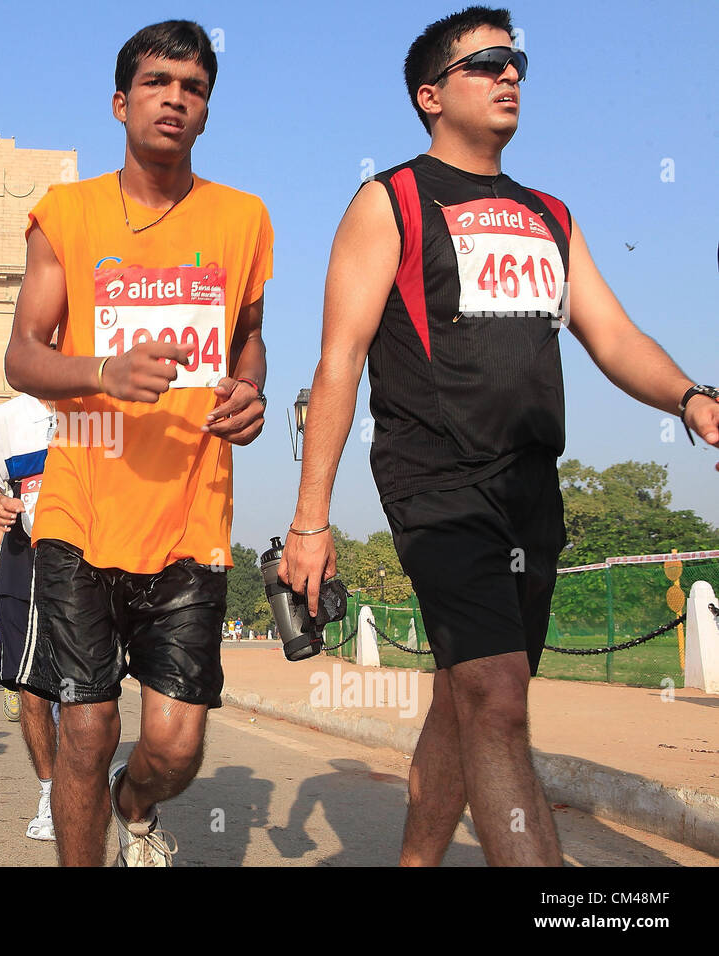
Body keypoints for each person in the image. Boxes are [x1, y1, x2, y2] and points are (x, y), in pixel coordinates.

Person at [280, 6, 719, 868]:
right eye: (486, 62)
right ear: (431, 94)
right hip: (434, 477)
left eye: (516, 59)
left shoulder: (550, 212)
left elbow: (614, 335)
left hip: (530, 487)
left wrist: (692, 397)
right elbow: (340, 362)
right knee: (498, 695)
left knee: (468, 694)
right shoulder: (389, 200)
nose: (510, 72)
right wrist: (309, 519)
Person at [3, 20, 271, 866]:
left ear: (205, 111)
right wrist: (100, 373)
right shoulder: (68, 212)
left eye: (193, 88)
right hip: (81, 514)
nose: (176, 99)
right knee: (85, 728)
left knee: (176, 749)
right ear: (122, 102)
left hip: (193, 511)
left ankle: (136, 802)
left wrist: (251, 388)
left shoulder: (243, 218)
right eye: (159, 83)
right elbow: (21, 355)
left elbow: (249, 337)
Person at [0, 391, 59, 840]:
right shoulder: (6, 417)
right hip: (25, 562)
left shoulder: (99, 407)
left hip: (92, 558)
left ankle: (84, 776)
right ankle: (50, 791)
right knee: (31, 686)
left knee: (90, 688)